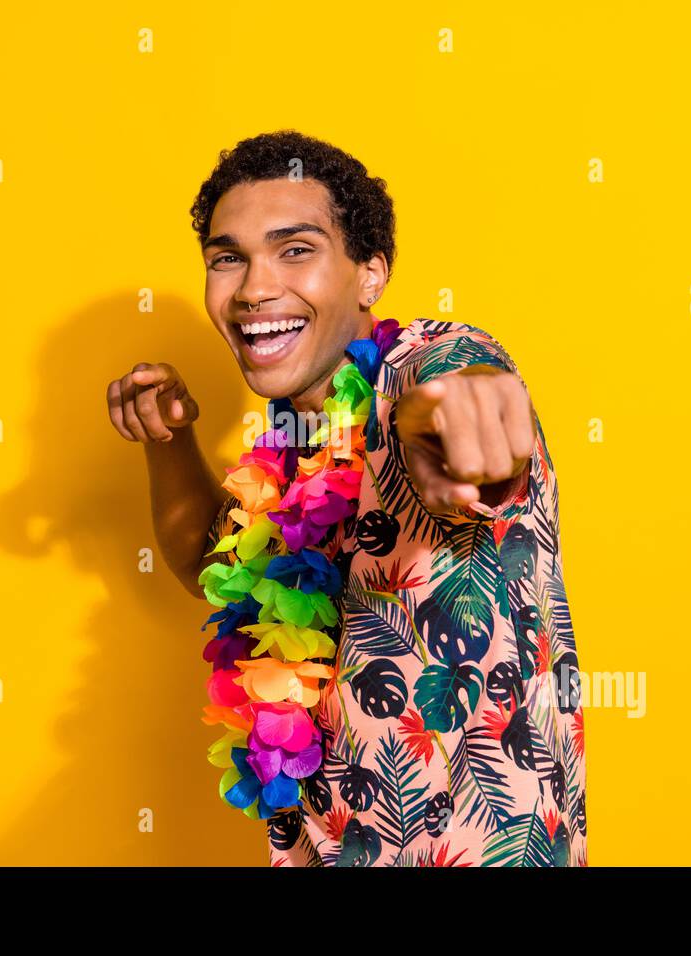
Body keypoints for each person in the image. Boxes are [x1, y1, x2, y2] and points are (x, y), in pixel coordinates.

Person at [106, 130, 585, 867]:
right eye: (227, 258)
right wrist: (168, 442)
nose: (254, 287)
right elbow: (213, 565)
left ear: (369, 274)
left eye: (295, 249)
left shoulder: (420, 365)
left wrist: (458, 421)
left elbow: (452, 399)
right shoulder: (293, 447)